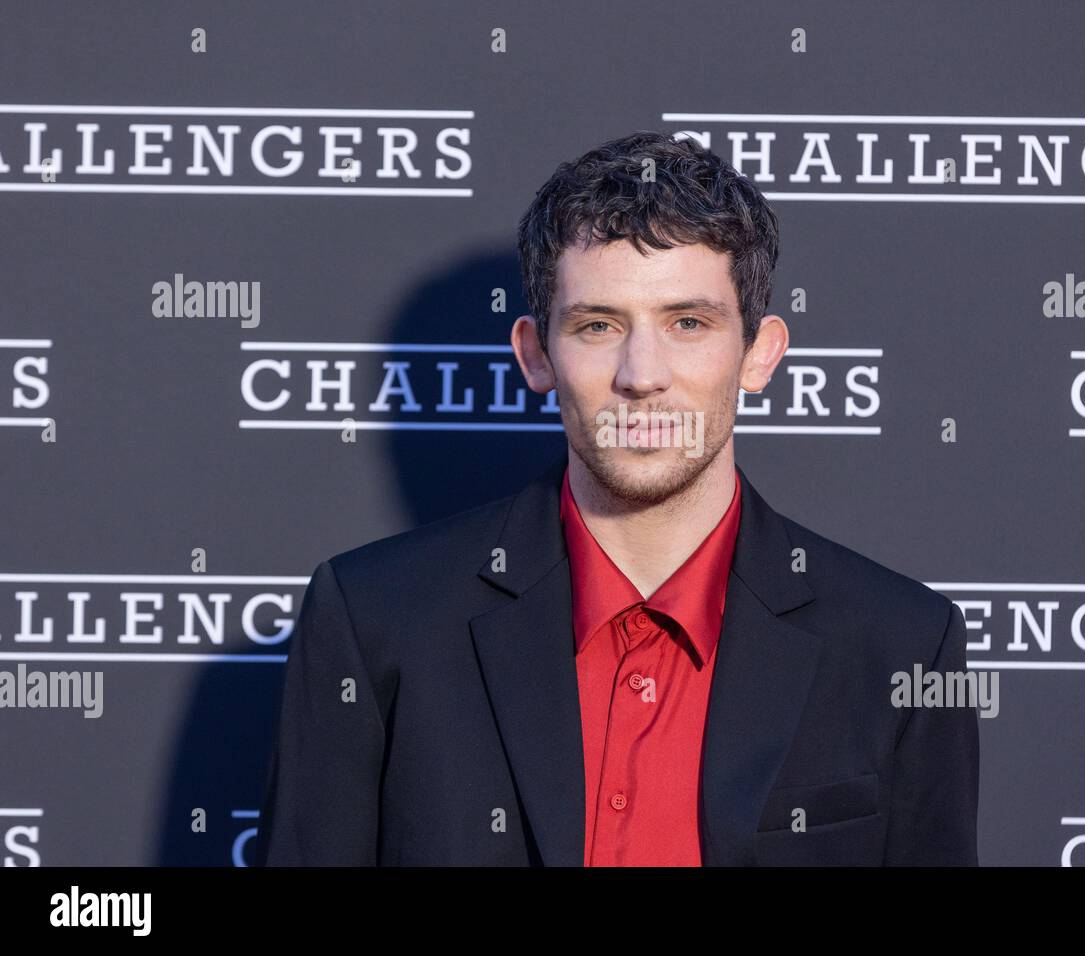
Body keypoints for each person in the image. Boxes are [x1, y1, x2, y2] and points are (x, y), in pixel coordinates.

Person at [254, 130, 978, 866]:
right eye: (598, 326)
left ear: (759, 354)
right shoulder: (375, 618)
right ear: (536, 355)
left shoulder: (900, 644)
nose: (642, 374)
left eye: (687, 324)